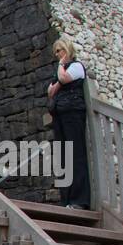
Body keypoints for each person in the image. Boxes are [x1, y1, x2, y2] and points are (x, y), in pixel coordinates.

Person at [46, 37, 91, 209]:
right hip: (61, 114)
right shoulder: (62, 70)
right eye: (56, 52)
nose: (58, 54)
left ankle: (79, 200)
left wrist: (60, 67)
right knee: (64, 157)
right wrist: (59, 79)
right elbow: (50, 91)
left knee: (76, 155)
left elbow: (63, 80)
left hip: (73, 113)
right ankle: (66, 199)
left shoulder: (76, 66)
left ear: (67, 49)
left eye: (60, 50)